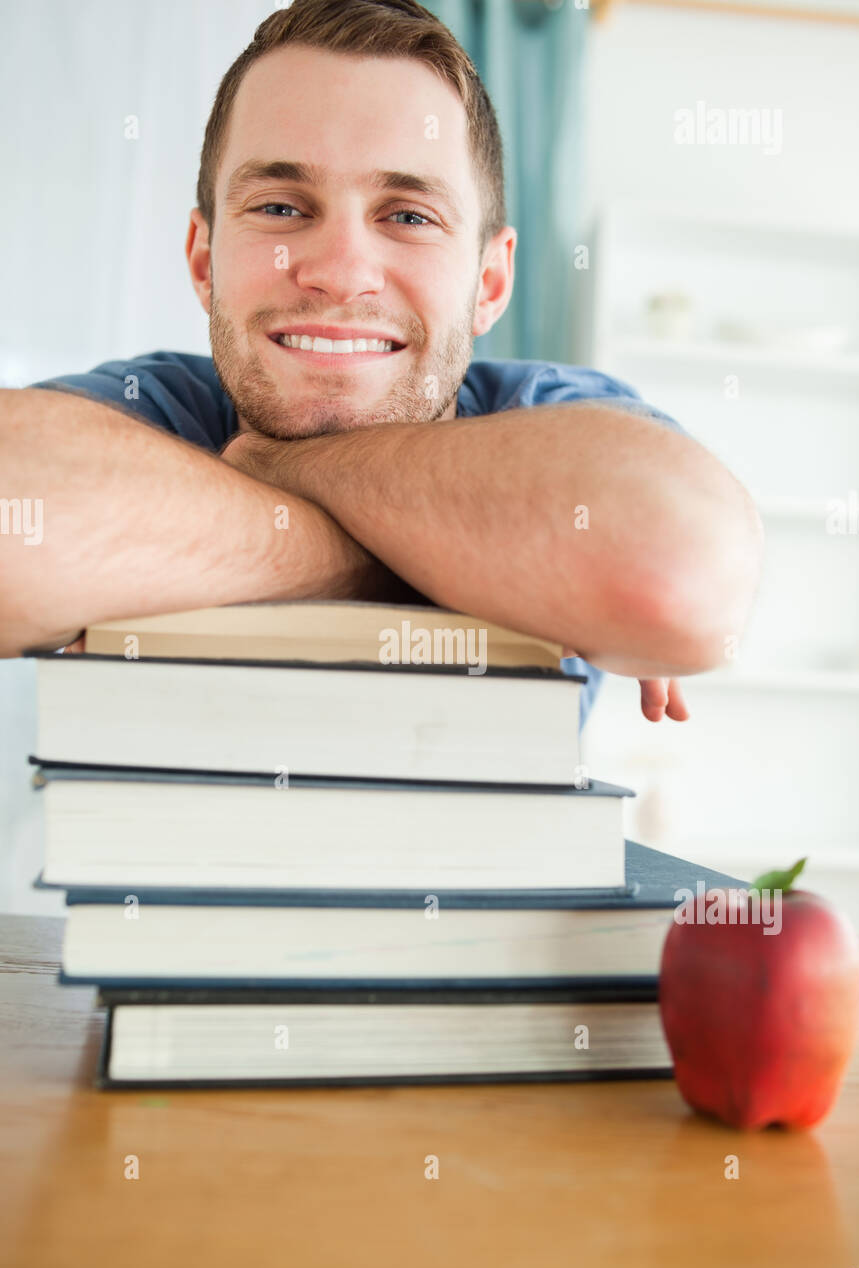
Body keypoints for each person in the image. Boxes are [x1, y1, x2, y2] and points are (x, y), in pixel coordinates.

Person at [0, 0, 762, 733]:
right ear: (204, 260)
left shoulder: (548, 415)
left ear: (489, 283)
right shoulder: (155, 408)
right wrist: (409, 545)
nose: (340, 271)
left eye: (407, 216)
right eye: (280, 207)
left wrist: (273, 467)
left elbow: (683, 572)